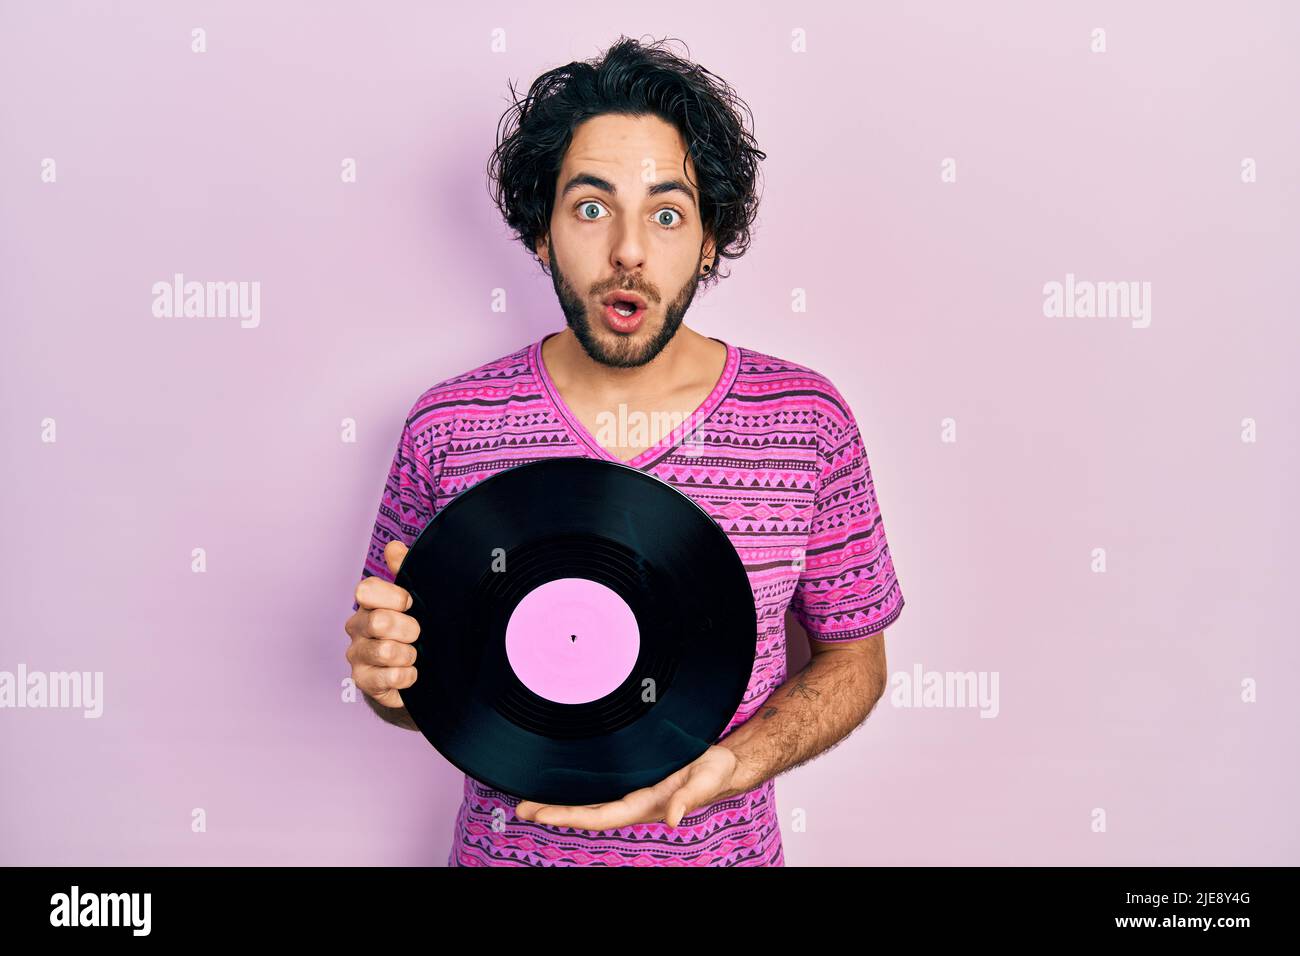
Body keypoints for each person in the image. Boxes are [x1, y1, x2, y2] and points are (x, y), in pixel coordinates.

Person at [344, 36, 905, 866]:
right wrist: (384, 675)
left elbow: (855, 660)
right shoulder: (448, 424)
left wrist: (730, 767)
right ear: (542, 234)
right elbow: (418, 688)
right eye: (592, 207)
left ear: (711, 240)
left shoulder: (804, 420)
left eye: (668, 213)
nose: (629, 250)